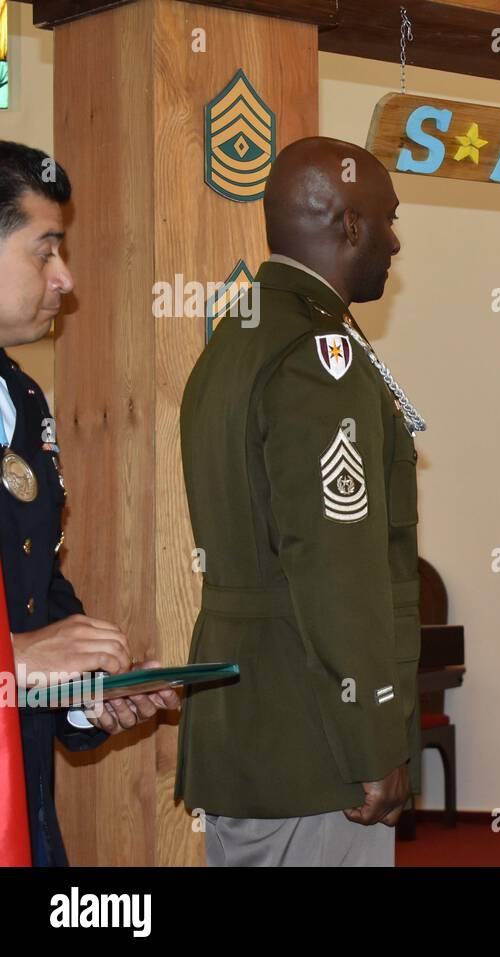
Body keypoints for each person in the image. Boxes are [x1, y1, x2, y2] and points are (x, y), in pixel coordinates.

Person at [176, 137, 424, 867]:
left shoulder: (238, 338)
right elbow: (334, 569)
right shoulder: (319, 355)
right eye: (388, 219)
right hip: (317, 745)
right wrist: (376, 740)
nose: (396, 241)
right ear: (349, 226)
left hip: (246, 728)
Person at [0, 140, 179, 866]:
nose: (65, 279)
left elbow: (32, 587)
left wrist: (85, 690)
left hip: (23, 809)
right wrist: (16, 660)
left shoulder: (22, 396)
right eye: (44, 251)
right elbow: (20, 649)